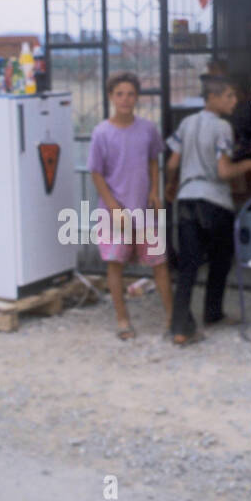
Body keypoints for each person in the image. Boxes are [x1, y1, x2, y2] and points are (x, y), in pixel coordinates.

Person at [164, 73, 251, 345]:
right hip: (214, 202)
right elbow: (223, 171)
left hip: (186, 198)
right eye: (229, 96)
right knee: (221, 258)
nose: (234, 101)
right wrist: (249, 165)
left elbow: (173, 163)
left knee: (188, 265)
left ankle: (180, 328)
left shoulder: (185, 123)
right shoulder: (223, 128)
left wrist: (172, 185)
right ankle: (212, 312)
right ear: (213, 98)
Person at [87, 72, 172, 339]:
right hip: (115, 212)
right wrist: (113, 207)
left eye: (130, 94)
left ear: (137, 97)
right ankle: (122, 319)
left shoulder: (148, 129)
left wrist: (155, 191)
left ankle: (173, 318)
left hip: (144, 210)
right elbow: (96, 172)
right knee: (116, 265)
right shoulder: (101, 133)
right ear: (111, 97)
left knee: (159, 264)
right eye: (120, 94)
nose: (125, 99)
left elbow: (153, 160)